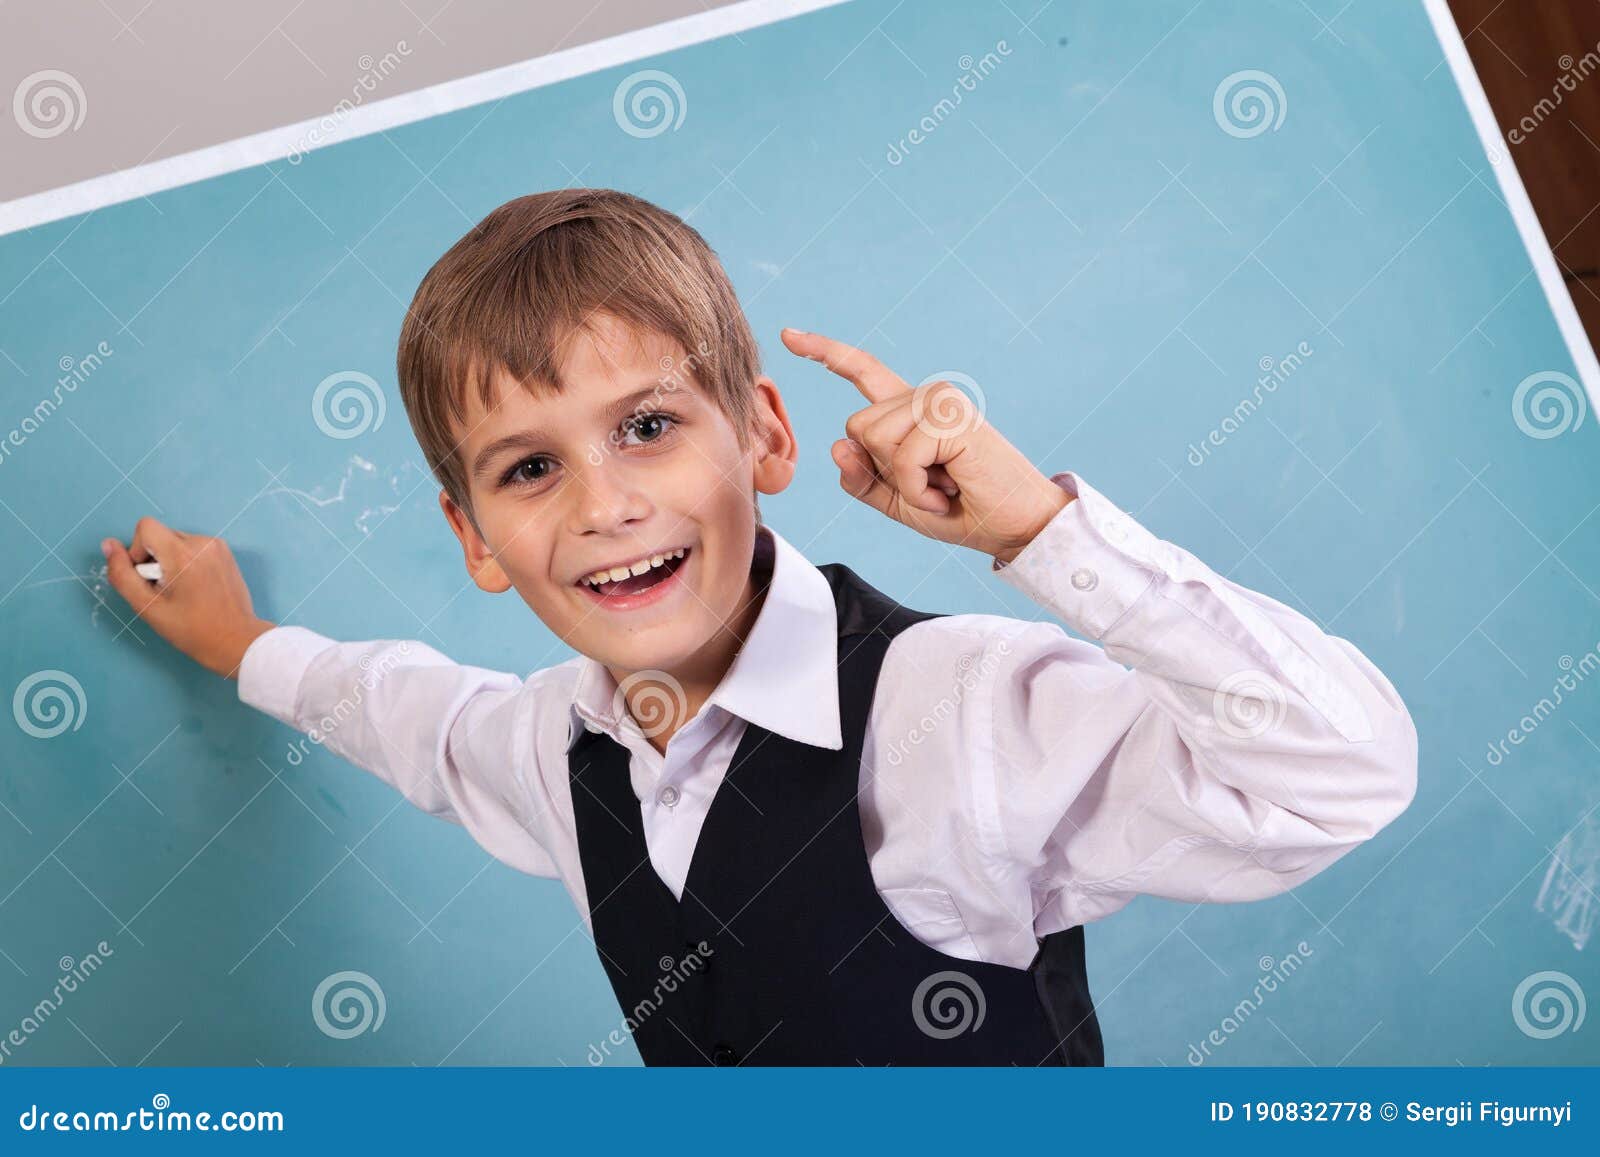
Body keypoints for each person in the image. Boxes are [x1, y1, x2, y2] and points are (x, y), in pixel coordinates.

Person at [103, 188, 1417, 1066]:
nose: (604, 505)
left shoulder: (957, 711)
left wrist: (1040, 539)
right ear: (474, 540)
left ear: (768, 435)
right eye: (529, 468)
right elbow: (409, 713)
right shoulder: (552, 747)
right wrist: (238, 642)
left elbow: (1336, 769)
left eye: (649, 427)